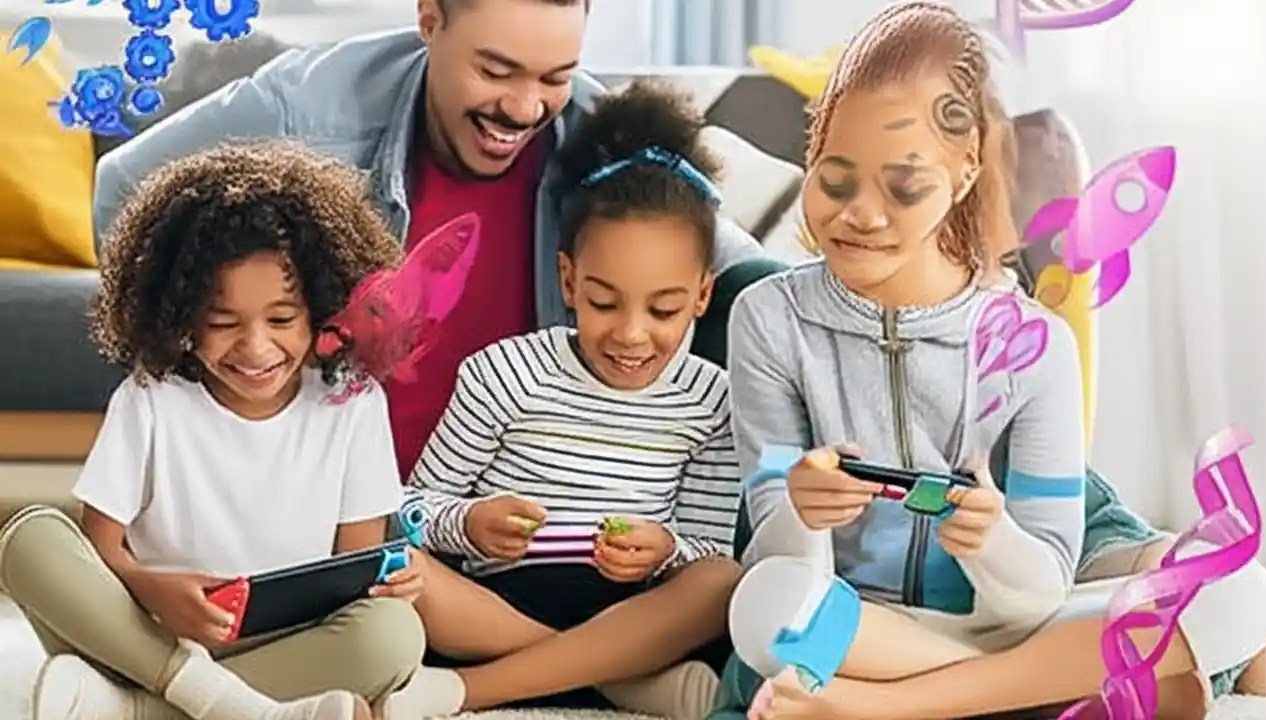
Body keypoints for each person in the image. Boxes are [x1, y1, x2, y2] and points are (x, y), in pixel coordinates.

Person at [716, 3, 1266, 719]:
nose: (861, 213)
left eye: (903, 186)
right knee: (764, 610)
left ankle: (887, 708)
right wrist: (800, 513)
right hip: (861, 625)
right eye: (836, 178)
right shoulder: (767, 319)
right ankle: (1043, 690)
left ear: (962, 174)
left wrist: (994, 541)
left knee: (1240, 591)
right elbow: (777, 553)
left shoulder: (1035, 344)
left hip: (1007, 624)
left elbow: (1042, 583)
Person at [90, 0, 774, 480]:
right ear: (429, 19)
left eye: (554, 77)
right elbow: (125, 190)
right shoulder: (308, 108)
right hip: (331, 494)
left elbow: (746, 277)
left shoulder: (600, 133)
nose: (525, 107)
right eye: (496, 70)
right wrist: (237, 372)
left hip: (517, 507)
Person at [0, 143, 430, 720]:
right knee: (30, 538)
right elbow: (100, 544)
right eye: (222, 323)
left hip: (283, 642)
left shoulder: (350, 403)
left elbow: (351, 568)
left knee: (395, 633)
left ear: (325, 309)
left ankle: (135, 710)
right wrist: (149, 587)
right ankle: (232, 707)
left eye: (281, 320)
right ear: (178, 319)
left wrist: (390, 578)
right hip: (140, 635)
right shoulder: (152, 397)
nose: (255, 348)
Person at [379, 81, 741, 720]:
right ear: (569, 280)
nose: (631, 334)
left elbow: (709, 551)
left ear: (703, 296)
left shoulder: (711, 401)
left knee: (721, 585)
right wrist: (470, 523)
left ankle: (473, 691)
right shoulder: (505, 373)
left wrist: (665, 549)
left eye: (664, 309)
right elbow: (409, 510)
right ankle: (617, 682)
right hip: (497, 605)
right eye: (604, 302)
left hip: (630, 611)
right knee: (395, 563)